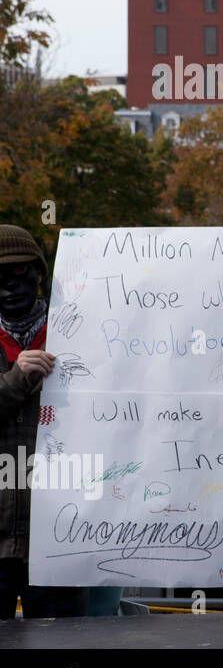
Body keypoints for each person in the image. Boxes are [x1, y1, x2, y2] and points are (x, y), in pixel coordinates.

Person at [0, 225, 88, 620]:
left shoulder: (81, 335)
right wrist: (15, 380)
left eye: (22, 275)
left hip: (61, 534)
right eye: (0, 278)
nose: (11, 288)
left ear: (41, 275)